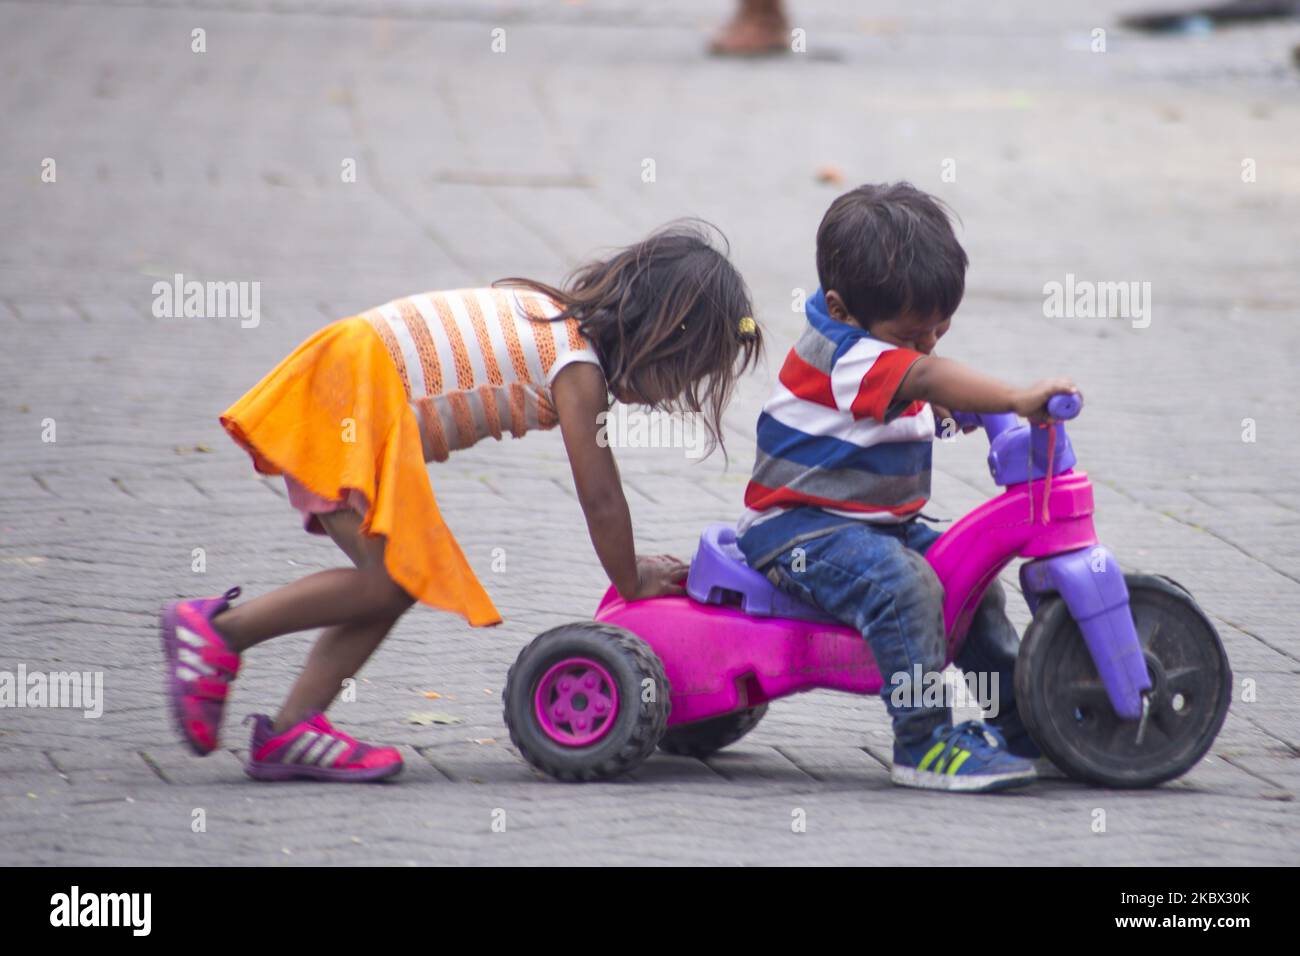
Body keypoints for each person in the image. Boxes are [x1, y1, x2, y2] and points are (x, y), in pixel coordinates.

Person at [161, 222, 763, 781]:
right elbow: (600, 497)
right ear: (662, 340)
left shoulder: (555, 323)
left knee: (392, 580)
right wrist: (632, 579)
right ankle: (221, 633)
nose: (673, 396)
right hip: (354, 393)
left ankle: (291, 731)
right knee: (392, 579)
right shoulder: (578, 368)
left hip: (349, 378)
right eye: (684, 376)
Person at [737, 183, 1077, 791]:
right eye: (912, 334)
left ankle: (1023, 720)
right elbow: (922, 376)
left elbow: (913, 391)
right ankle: (923, 741)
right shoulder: (845, 353)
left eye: (939, 332)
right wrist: (1011, 397)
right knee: (907, 585)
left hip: (869, 521)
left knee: (973, 579)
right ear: (841, 309)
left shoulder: (882, 346)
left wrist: (956, 413)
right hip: (800, 530)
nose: (926, 345)